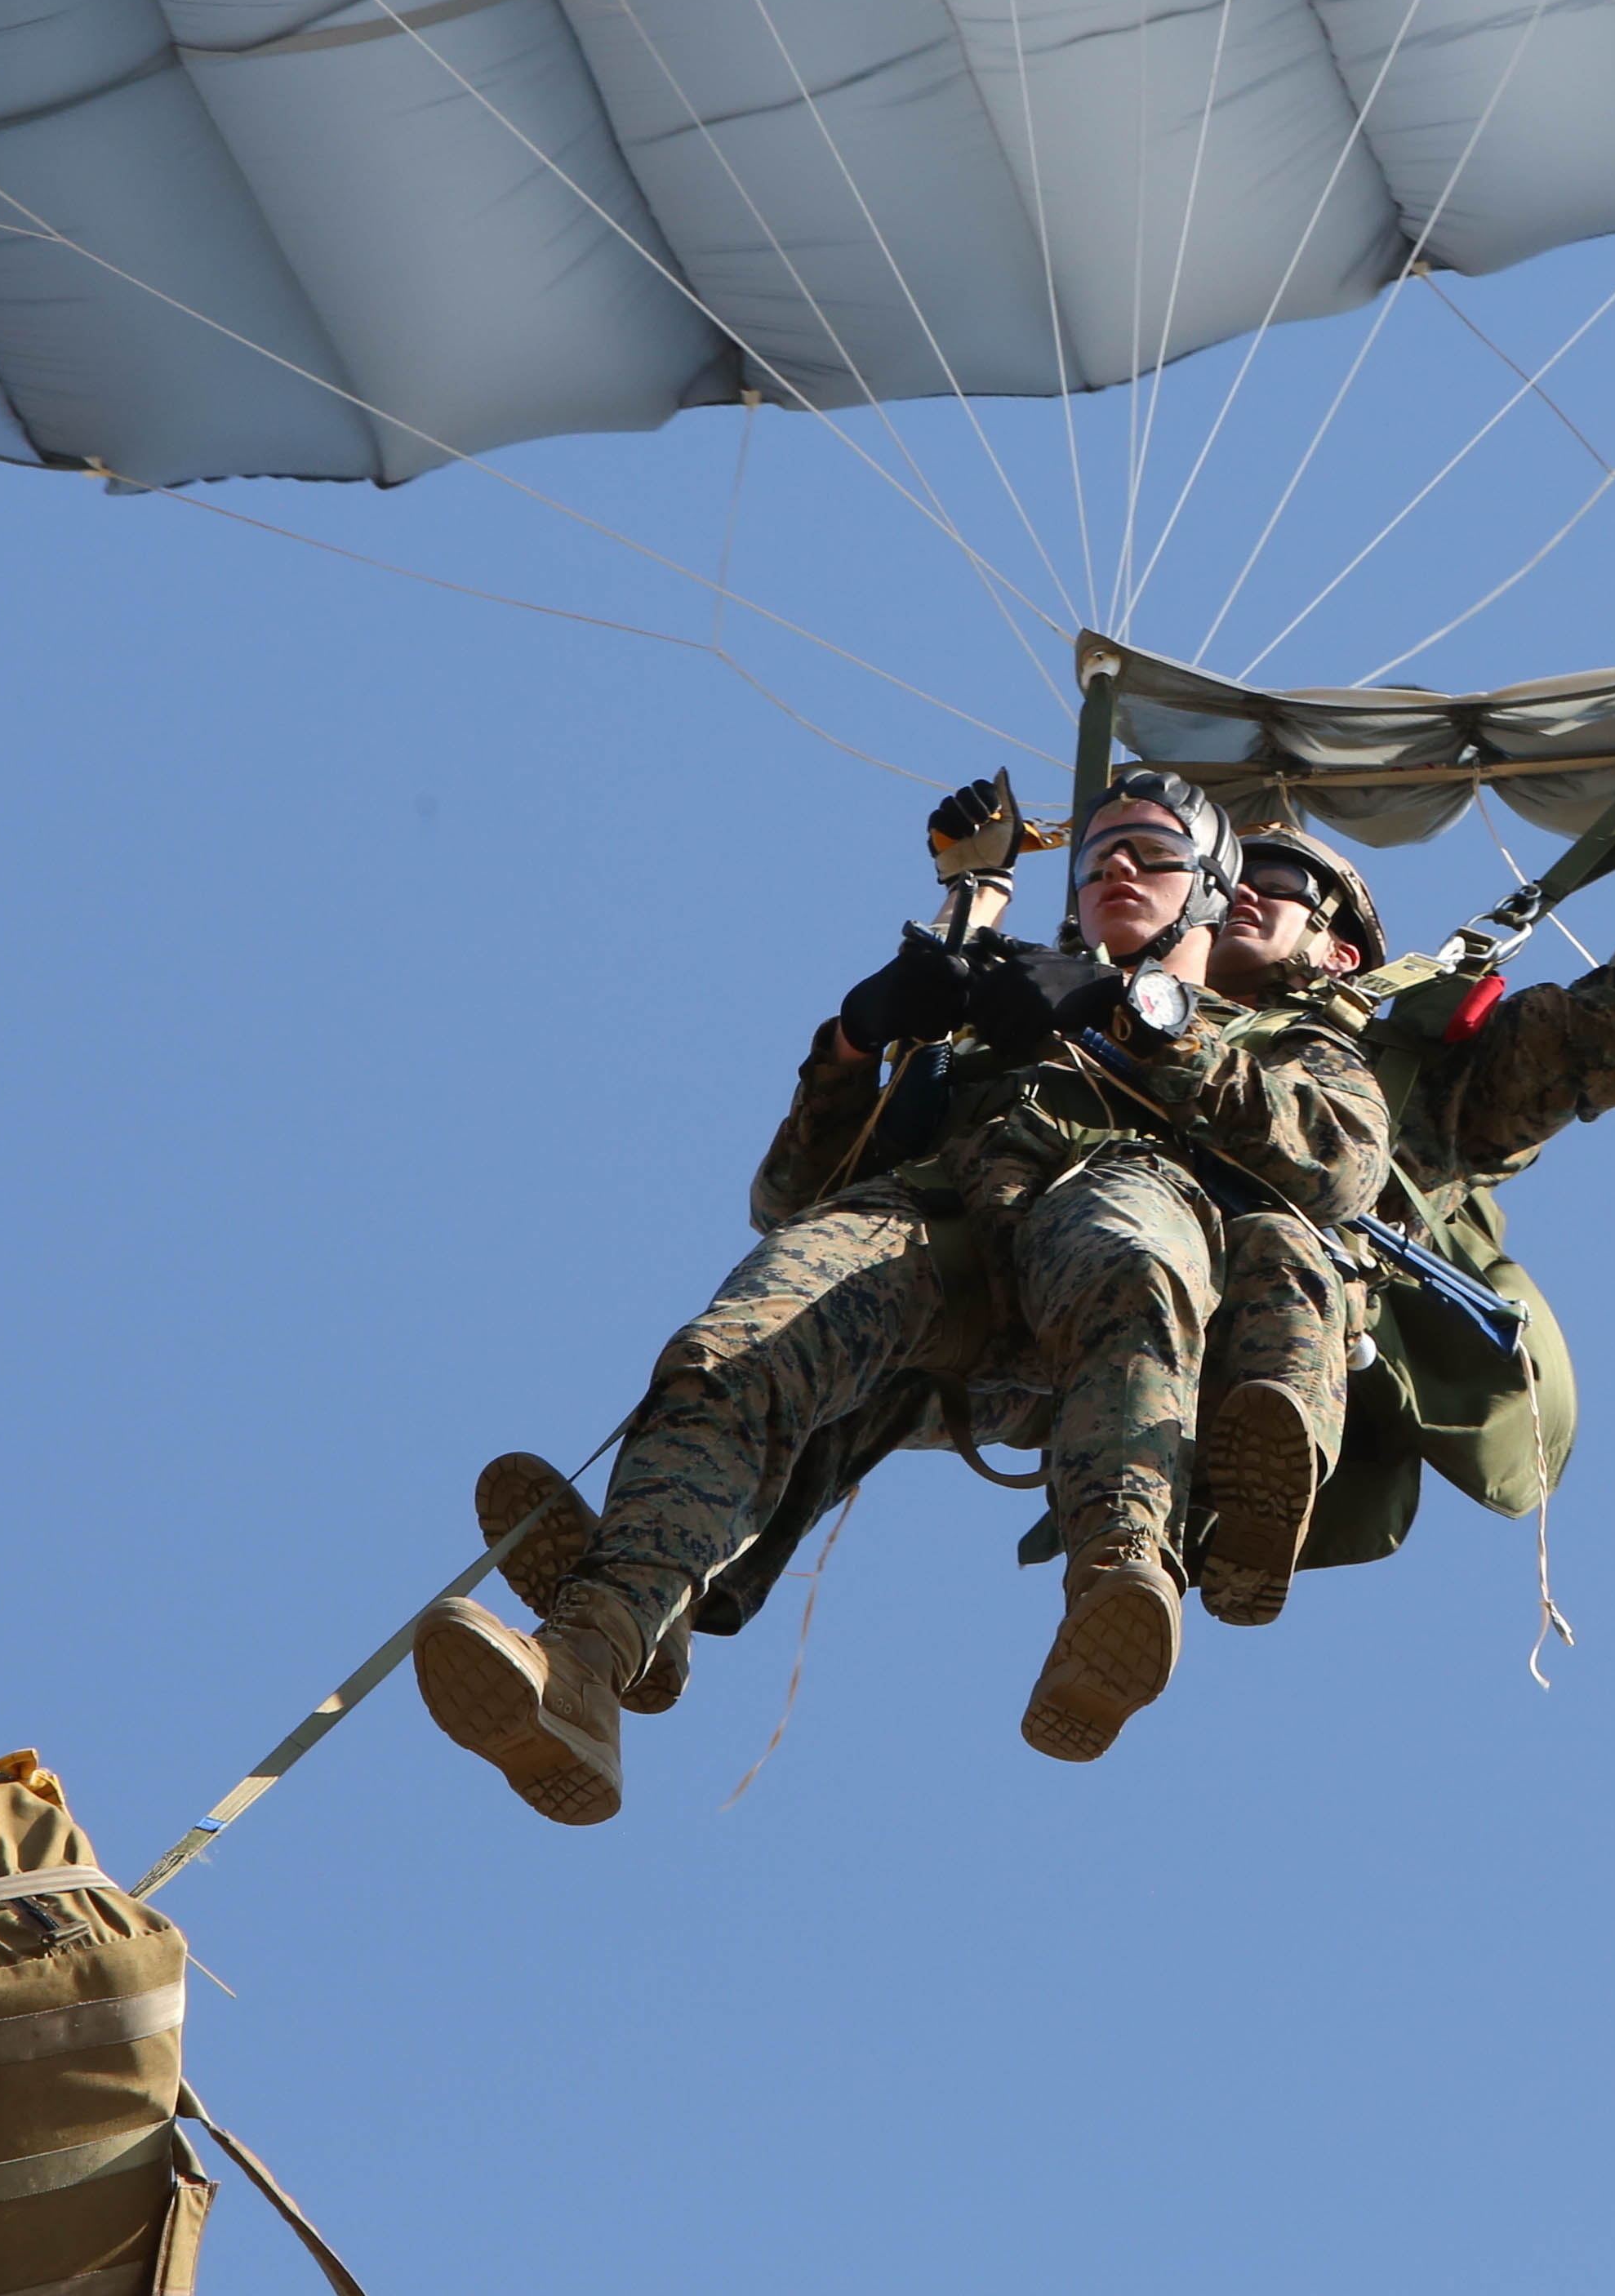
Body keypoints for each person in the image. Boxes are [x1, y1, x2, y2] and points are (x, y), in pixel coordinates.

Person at [412, 769, 1387, 1810]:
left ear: (1208, 892)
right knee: (739, 1346)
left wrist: (1147, 1026)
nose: (1117, 871)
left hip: (1109, 1225)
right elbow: (787, 1197)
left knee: (1131, 1251)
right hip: (936, 1230)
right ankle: (589, 1661)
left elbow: (1341, 1165)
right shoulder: (1002, 1000)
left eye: (1153, 855)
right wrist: (859, 1037)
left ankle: (1119, 1583)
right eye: (1099, 856)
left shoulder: (1274, 1036)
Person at [1180, 795, 1615, 1631]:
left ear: (1338, 953)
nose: (1243, 893)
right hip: (1097, 1283)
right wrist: (983, 891)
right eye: (1221, 881)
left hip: (1282, 1298)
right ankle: (1122, 1546)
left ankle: (1232, 1503)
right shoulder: (1082, 1027)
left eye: (1279, 882)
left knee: (1275, 1242)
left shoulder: (1401, 1076)